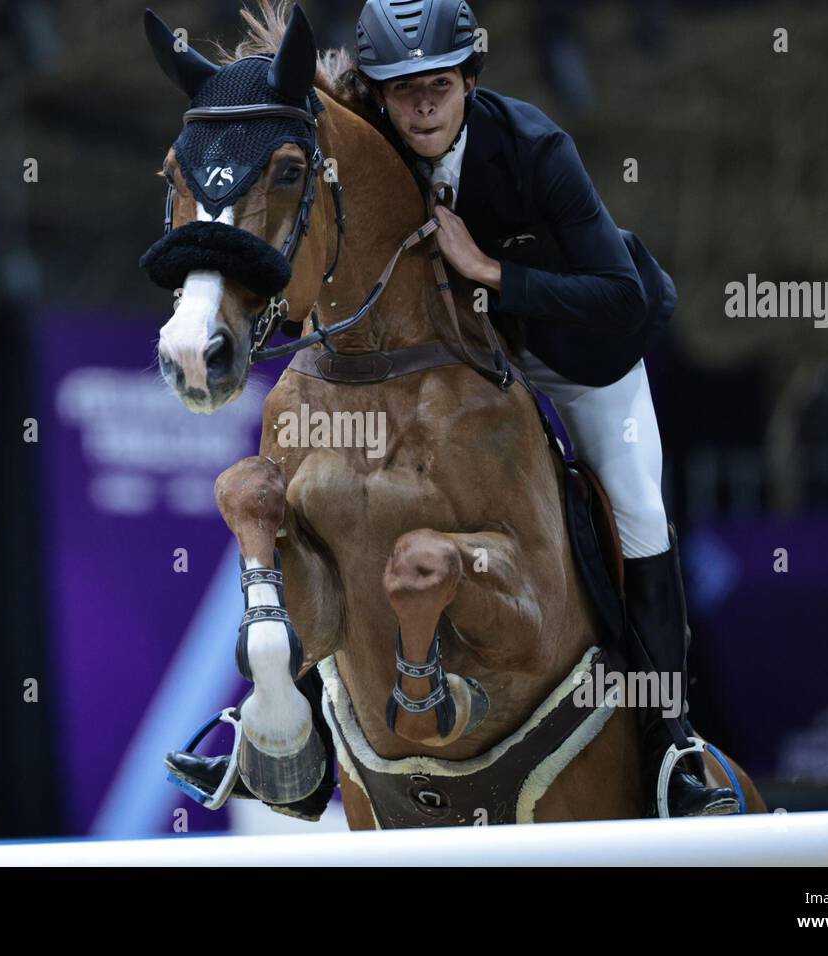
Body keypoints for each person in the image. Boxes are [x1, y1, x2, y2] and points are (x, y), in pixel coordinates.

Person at [167, 0, 739, 818]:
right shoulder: (370, 135)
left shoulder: (534, 146)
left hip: (571, 347)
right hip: (438, 348)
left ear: (468, 78)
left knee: (641, 512)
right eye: (402, 92)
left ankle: (671, 744)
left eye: (438, 86)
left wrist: (493, 272)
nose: (422, 108)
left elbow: (618, 295)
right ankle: (295, 734)